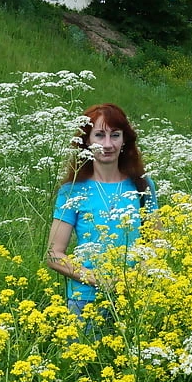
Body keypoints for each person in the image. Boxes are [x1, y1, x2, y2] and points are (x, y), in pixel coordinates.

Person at [46, 103, 157, 316]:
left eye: (115, 135)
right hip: (85, 302)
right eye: (99, 135)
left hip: (136, 299)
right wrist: (99, 280)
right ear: (86, 141)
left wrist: (135, 278)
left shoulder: (142, 185)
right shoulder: (72, 191)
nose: (107, 144)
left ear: (125, 140)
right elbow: (54, 255)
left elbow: (156, 243)